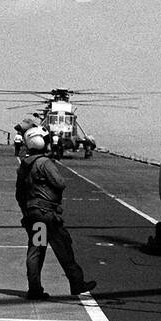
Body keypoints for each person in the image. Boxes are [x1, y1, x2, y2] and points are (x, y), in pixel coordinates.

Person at [15, 126, 96, 301]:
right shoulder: (44, 163)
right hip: (48, 216)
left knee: (36, 251)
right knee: (63, 247)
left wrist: (28, 211)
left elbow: (19, 195)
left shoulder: (24, 166)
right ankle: (77, 283)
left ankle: (35, 289)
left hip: (34, 216)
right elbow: (60, 183)